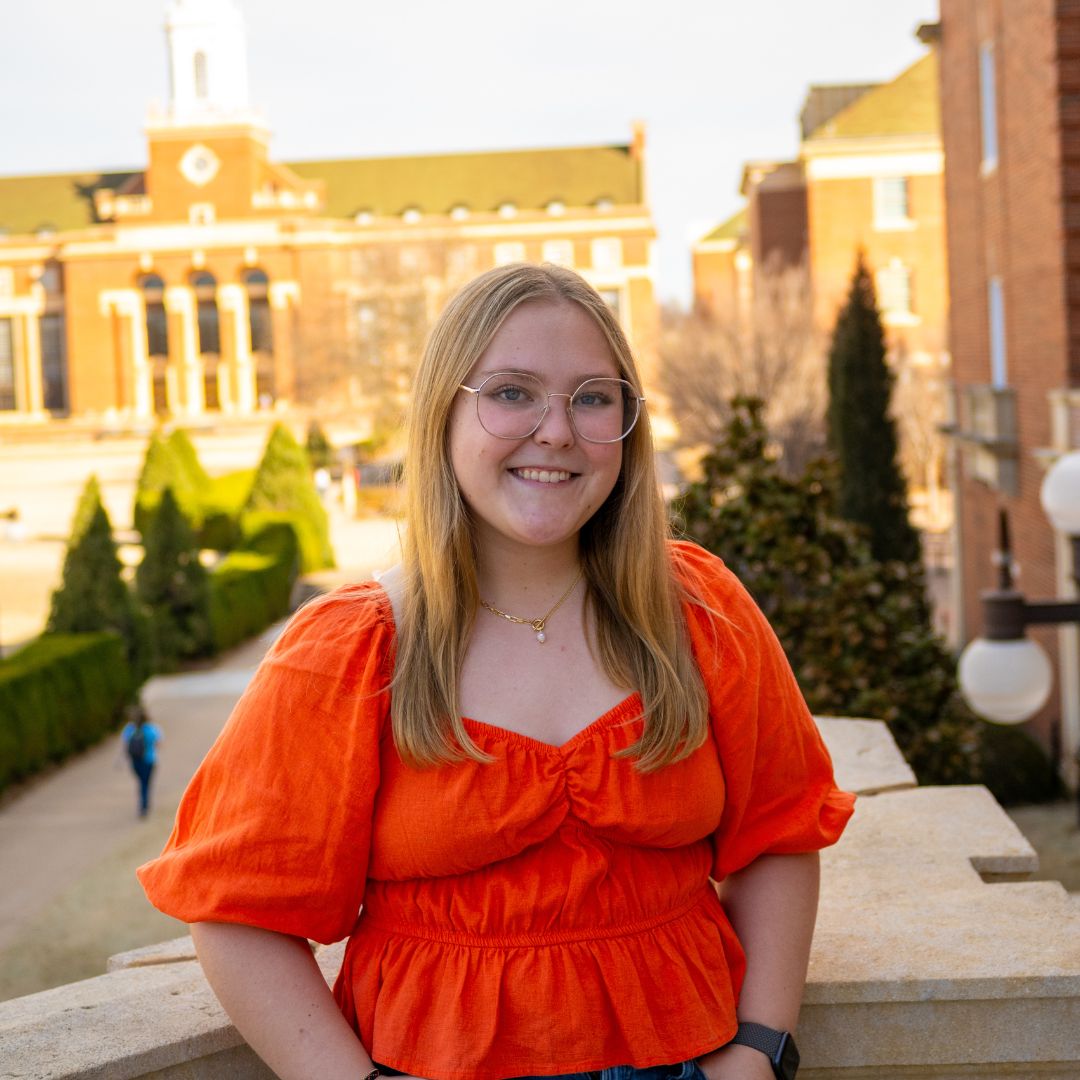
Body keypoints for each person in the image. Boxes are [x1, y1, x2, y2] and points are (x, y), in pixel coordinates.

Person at [138, 264, 855, 1080]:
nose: (556, 431)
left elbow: (781, 833)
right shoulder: (350, 652)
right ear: (444, 413)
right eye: (512, 392)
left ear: (627, 424)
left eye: (592, 397)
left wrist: (760, 1050)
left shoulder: (697, 611)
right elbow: (236, 910)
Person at [122, 702, 162, 818]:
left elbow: (125, 743)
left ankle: (143, 803)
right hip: (149, 760)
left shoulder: (129, 729)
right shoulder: (151, 729)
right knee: (146, 783)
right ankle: (144, 805)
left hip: (135, 761)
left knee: (141, 782)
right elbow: (158, 743)